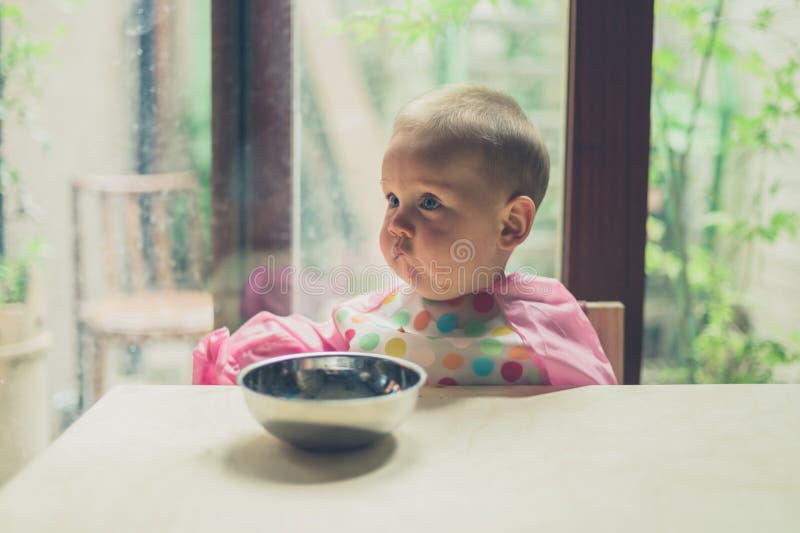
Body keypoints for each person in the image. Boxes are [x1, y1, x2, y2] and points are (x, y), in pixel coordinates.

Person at [193, 84, 617, 387]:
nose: (397, 223)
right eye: (392, 199)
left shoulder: (544, 325)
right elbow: (310, 347)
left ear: (510, 224)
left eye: (429, 202)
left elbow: (601, 419)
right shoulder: (371, 317)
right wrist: (240, 359)